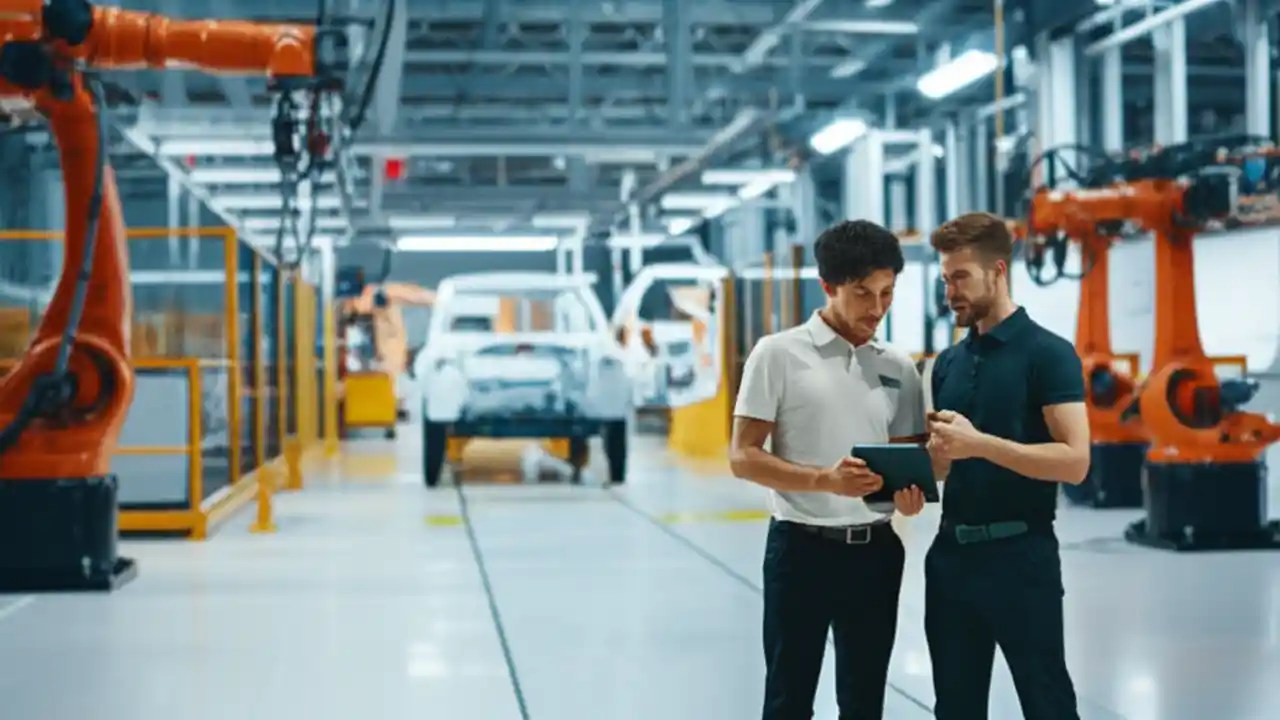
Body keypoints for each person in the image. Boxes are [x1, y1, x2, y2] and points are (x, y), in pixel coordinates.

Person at [729, 219, 929, 720]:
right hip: (801, 551)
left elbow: (905, 460)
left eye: (887, 293)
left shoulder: (898, 367)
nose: (877, 308)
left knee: (864, 702)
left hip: (877, 553)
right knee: (788, 699)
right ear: (827, 286)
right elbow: (743, 455)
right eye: (863, 293)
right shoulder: (778, 354)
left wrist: (908, 494)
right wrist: (824, 480)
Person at [923, 211, 1090, 719]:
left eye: (961, 278)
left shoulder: (1049, 354)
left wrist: (982, 445)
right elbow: (948, 466)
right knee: (955, 706)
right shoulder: (949, 363)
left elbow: (1075, 461)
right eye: (945, 278)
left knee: (1046, 703)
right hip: (951, 557)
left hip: (1021, 558)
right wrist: (923, 469)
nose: (950, 291)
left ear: (998, 271)